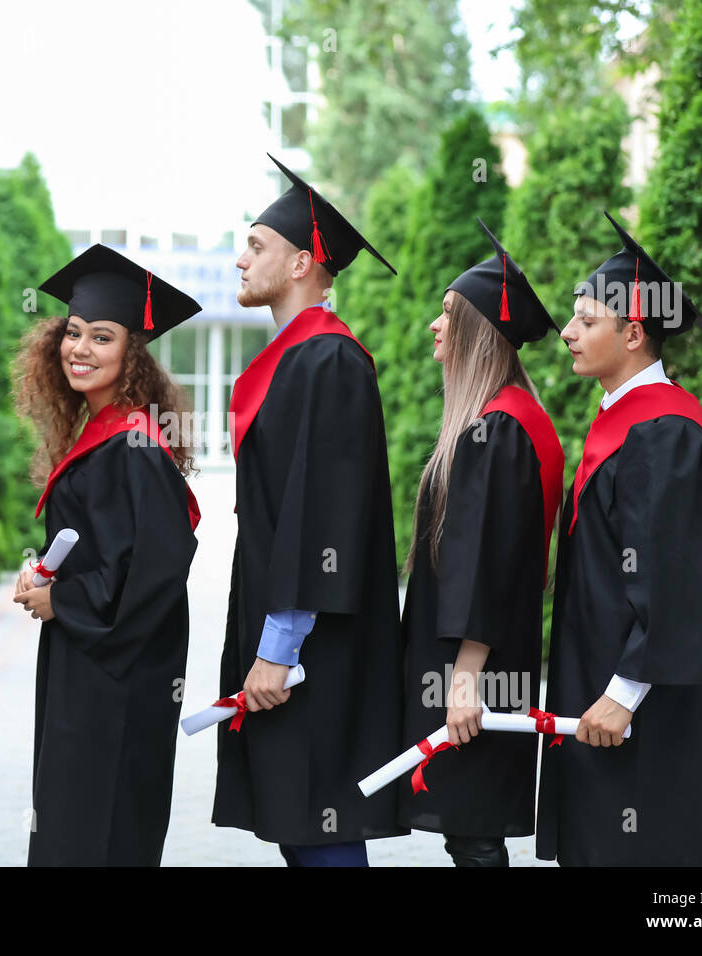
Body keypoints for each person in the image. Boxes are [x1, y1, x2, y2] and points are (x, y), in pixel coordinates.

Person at [212, 154, 404, 866]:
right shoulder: (297, 359)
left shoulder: (330, 361)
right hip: (288, 639)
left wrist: (278, 647)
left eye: (256, 246)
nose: (240, 259)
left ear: (302, 264)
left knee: (320, 825)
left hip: (311, 649)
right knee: (300, 823)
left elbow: (323, 516)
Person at [536, 211, 702, 866]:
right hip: (599, 700)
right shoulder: (623, 421)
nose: (567, 332)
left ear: (634, 331)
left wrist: (622, 695)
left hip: (633, 712)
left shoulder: (667, 432)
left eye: (586, 320)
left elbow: (675, 582)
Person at [12, 244, 202, 866]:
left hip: (116, 686)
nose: (80, 349)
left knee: (96, 835)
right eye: (72, 333)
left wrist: (60, 598)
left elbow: (155, 571)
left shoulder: (132, 447)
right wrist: (43, 573)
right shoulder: (101, 433)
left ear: (131, 355)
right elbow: (105, 549)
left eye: (101, 336)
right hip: (89, 671)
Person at [396, 219, 564, 866]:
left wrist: (465, 680)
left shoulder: (494, 430)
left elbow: (484, 563)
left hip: (477, 665)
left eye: (448, 314)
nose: (435, 326)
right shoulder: (517, 418)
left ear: (477, 330)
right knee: (470, 825)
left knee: (472, 830)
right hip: (494, 655)